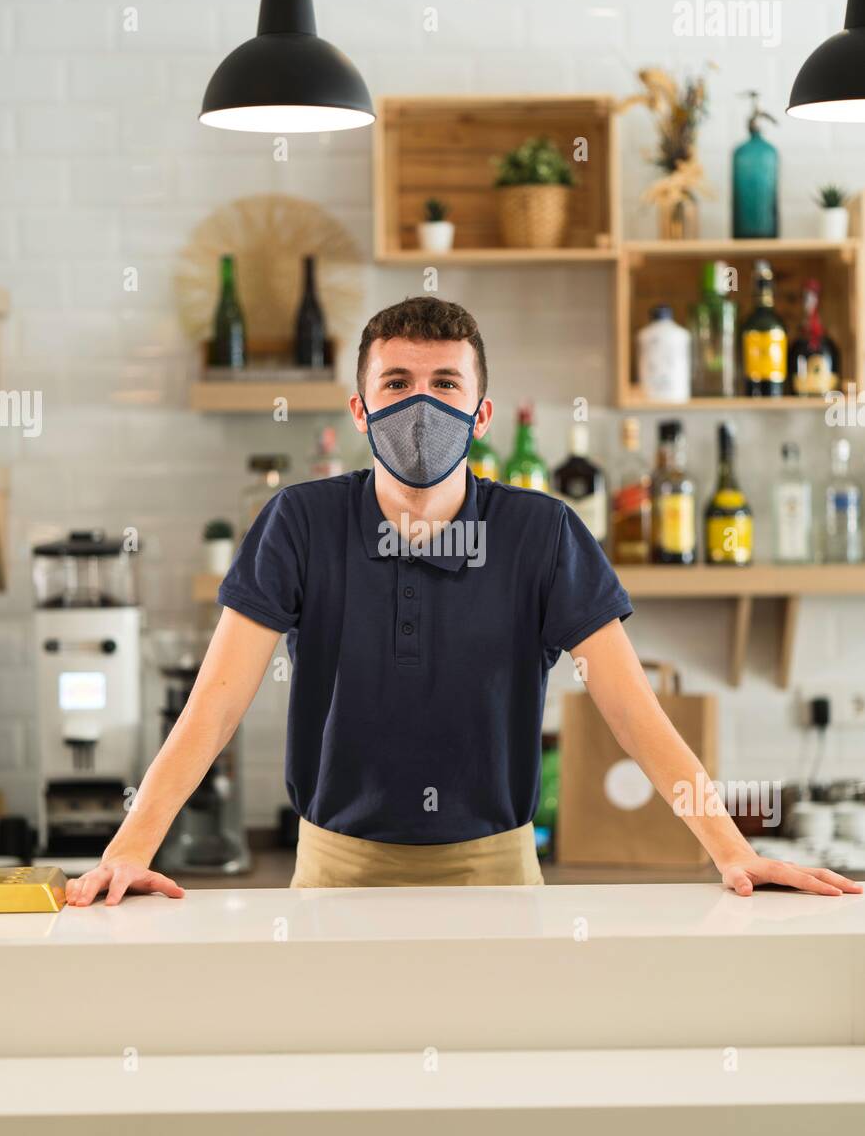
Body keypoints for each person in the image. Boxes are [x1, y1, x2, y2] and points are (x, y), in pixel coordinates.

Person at [66, 297, 862, 904]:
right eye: (398, 383)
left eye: (445, 383)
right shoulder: (299, 523)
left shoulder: (543, 532)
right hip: (334, 868)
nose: (422, 404)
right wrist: (129, 852)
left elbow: (632, 711)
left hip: (500, 870)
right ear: (361, 410)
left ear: (480, 414)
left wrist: (731, 849)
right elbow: (213, 707)